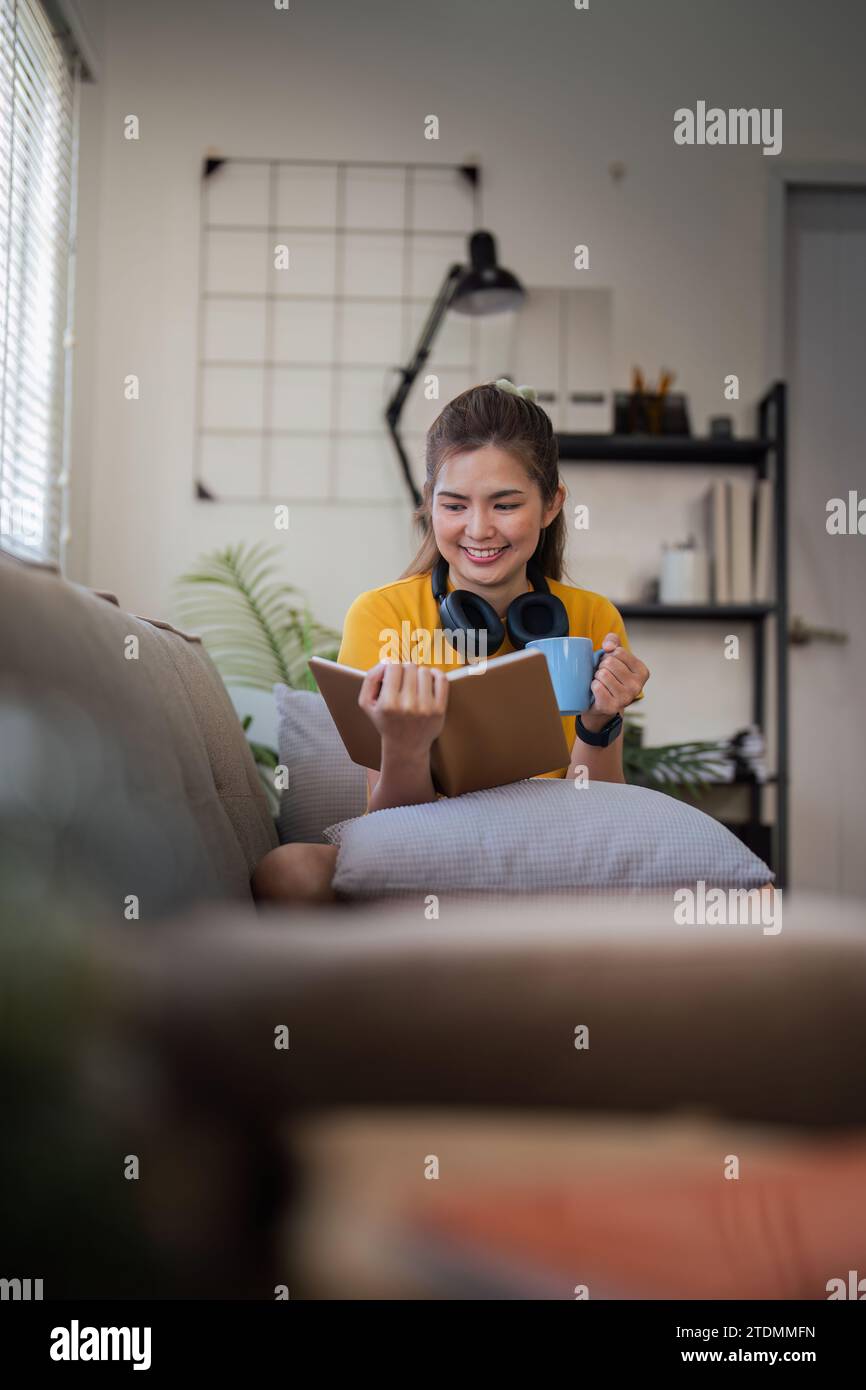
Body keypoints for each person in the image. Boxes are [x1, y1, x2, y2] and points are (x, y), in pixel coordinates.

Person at [252, 379, 650, 905]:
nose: (479, 529)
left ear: (552, 504)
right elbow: (387, 830)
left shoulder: (592, 616)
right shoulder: (382, 614)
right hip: (424, 851)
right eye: (455, 505)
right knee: (289, 872)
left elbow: (599, 811)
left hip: (549, 851)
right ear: (429, 505)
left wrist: (599, 726)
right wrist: (405, 749)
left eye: (505, 505)